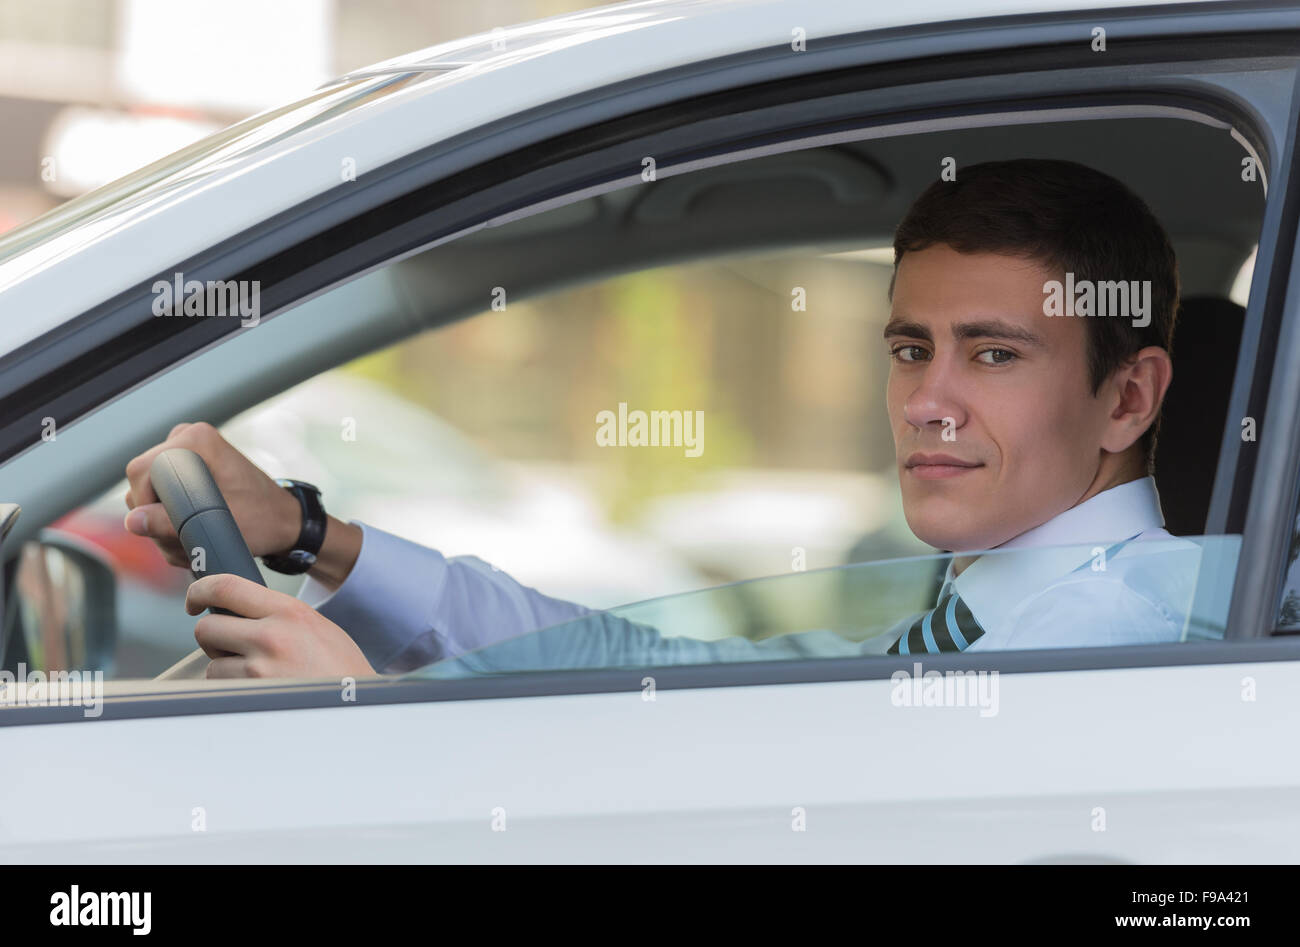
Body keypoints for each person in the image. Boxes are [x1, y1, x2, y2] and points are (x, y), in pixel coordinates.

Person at [123, 158, 1196, 679]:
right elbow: (636, 664)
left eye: (993, 354)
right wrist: (314, 534)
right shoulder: (1003, 612)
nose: (925, 401)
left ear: (1126, 397)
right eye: (911, 348)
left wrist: (368, 731)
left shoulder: (1110, 651)